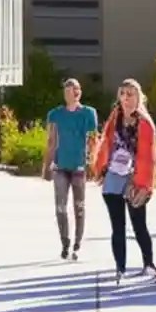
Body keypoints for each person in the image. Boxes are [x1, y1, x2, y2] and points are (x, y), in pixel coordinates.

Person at [93, 79, 156, 282]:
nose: (127, 98)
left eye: (131, 93)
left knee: (139, 224)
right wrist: (100, 168)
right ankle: (120, 268)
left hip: (135, 178)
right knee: (117, 226)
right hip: (113, 176)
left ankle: (148, 263)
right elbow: (105, 143)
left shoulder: (145, 122)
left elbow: (149, 157)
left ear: (139, 97)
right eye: (123, 93)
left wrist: (145, 185)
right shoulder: (115, 117)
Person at [42, 79, 99, 261]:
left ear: (79, 92)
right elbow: (51, 140)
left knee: (79, 206)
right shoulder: (55, 114)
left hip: (79, 166)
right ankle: (65, 242)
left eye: (75, 90)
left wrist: (93, 163)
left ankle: (77, 243)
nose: (72, 94)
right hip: (60, 166)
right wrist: (46, 165)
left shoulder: (88, 113)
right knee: (60, 206)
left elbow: (93, 139)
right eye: (67, 90)